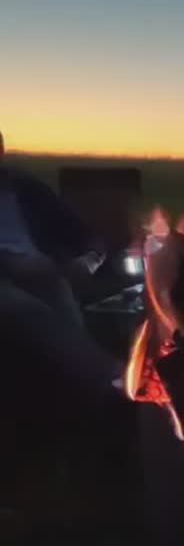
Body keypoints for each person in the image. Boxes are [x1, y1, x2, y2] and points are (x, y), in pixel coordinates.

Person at [0, 132, 118, 412]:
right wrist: (9, 262)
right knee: (27, 310)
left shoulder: (27, 189)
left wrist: (88, 261)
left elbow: (83, 235)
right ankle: (113, 381)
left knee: (61, 299)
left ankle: (81, 396)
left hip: (42, 272)